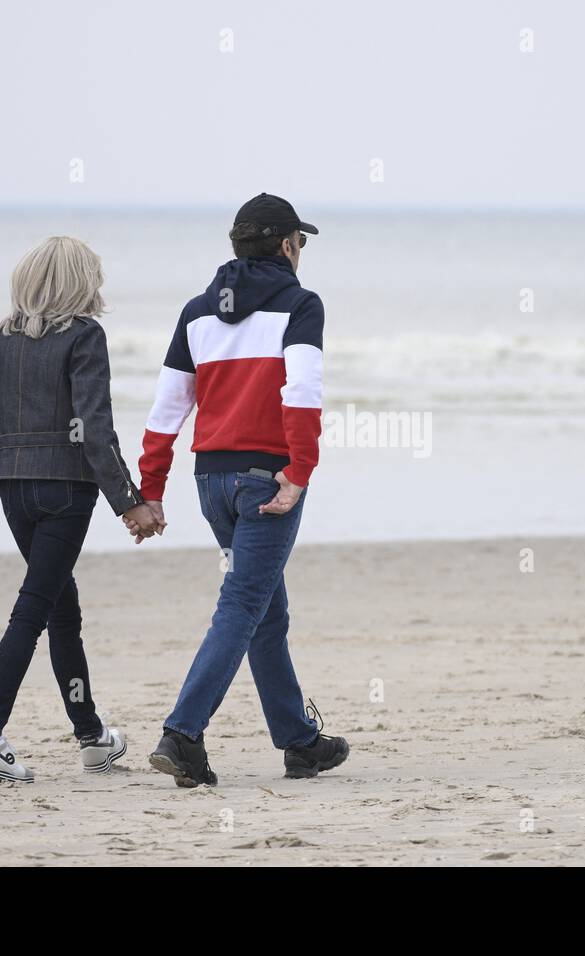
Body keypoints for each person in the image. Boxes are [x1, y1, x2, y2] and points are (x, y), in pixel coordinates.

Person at [131, 193, 349, 786]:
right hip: (266, 480)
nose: (300, 252)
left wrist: (151, 487)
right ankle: (182, 734)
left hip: (212, 482)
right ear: (285, 245)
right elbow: (301, 391)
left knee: (264, 609)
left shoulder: (197, 311)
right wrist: (300, 471)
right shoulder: (301, 305)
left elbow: (167, 407)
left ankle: (300, 743)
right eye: (299, 242)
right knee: (241, 606)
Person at [0, 236, 161, 783]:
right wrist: (132, 502)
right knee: (33, 608)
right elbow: (95, 429)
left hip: (13, 488)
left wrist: (17, 464)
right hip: (66, 493)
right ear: (81, 283)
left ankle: (92, 737)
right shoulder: (85, 336)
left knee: (59, 607)